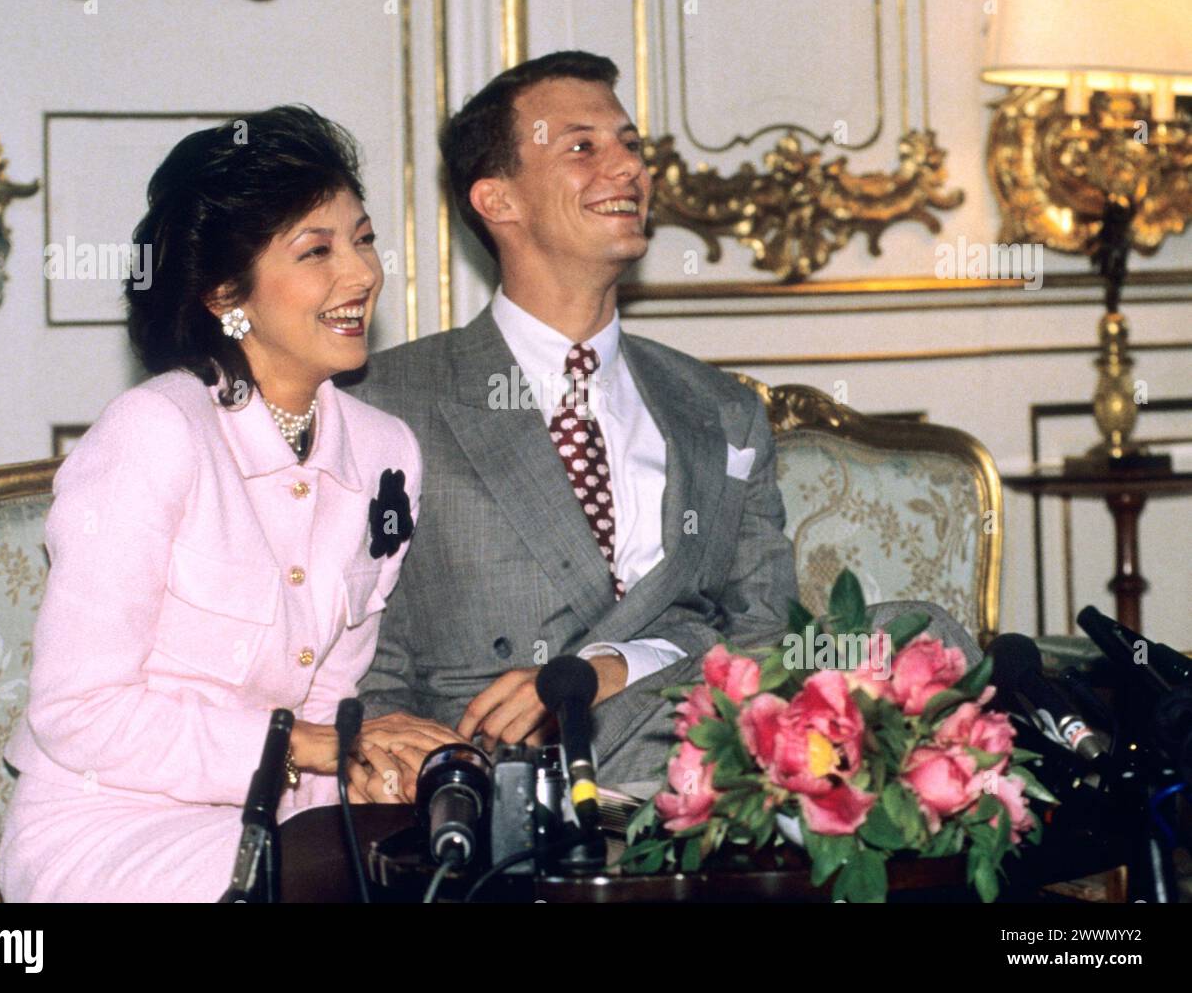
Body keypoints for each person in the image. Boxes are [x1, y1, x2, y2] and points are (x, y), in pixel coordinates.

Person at [339, 51, 980, 791]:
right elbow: (361, 656)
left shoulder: (716, 407)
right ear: (498, 201)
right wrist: (382, 741)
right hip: (517, 770)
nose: (630, 170)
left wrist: (612, 666)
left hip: (706, 728)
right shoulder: (390, 400)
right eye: (583, 147)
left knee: (923, 636)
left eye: (632, 146)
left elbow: (764, 629)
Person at [0, 106, 463, 902]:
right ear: (225, 296)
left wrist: (369, 775)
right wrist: (311, 746)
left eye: (363, 237)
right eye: (316, 250)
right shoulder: (155, 433)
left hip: (278, 822)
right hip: (109, 827)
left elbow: (328, 698)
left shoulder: (387, 452)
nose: (361, 274)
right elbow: (79, 714)